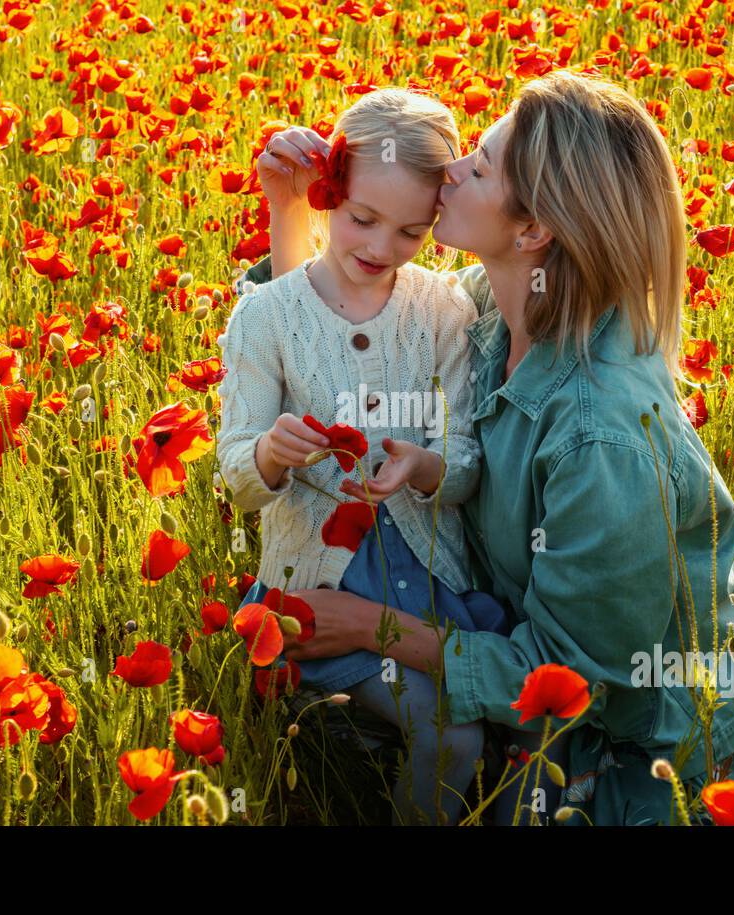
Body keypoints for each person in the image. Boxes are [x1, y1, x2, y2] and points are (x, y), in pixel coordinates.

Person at [249, 70, 734, 826]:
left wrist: (371, 628)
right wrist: (294, 203)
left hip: (625, 744)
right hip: (502, 646)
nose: (453, 166)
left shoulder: (602, 439)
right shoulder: (486, 314)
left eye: (483, 163)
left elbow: (567, 683)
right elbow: (321, 333)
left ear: (533, 231)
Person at [217, 87, 523, 826]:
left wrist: (421, 465)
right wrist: (269, 453)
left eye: (412, 232)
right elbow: (235, 478)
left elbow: (466, 461)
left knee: (484, 727)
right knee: (451, 729)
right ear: (330, 192)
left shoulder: (443, 311)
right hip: (313, 589)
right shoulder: (266, 314)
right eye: (361, 219)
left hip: (422, 581)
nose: (381, 249)